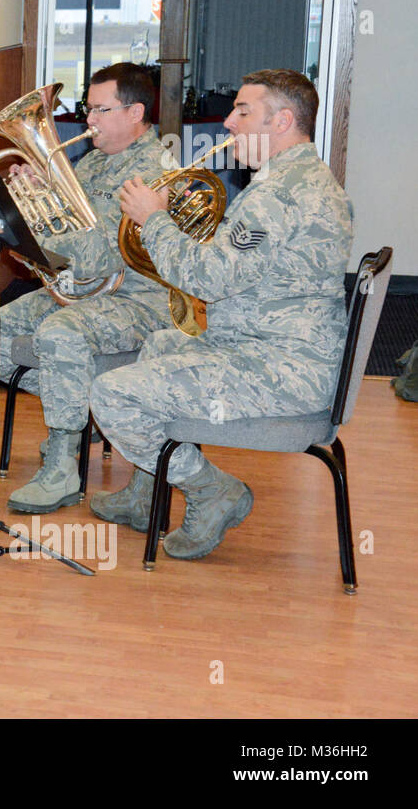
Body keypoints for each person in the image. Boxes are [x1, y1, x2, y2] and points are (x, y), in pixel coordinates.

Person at [91, 68, 353, 559]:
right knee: (158, 345)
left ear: (282, 122)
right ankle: (150, 489)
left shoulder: (278, 196)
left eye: (243, 112)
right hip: (273, 346)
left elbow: (208, 281)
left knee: (112, 394)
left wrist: (155, 220)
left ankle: (212, 490)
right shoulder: (300, 178)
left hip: (281, 369)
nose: (228, 123)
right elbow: (238, 264)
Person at [0, 63, 175, 514]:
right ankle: (84, 410)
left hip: (138, 299)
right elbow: (70, 224)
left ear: (135, 111)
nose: (88, 120)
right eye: (87, 109)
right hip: (81, 290)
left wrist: (26, 232)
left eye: (100, 110)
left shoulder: (156, 170)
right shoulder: (96, 159)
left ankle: (62, 461)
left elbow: (100, 254)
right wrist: (30, 199)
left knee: (61, 334)